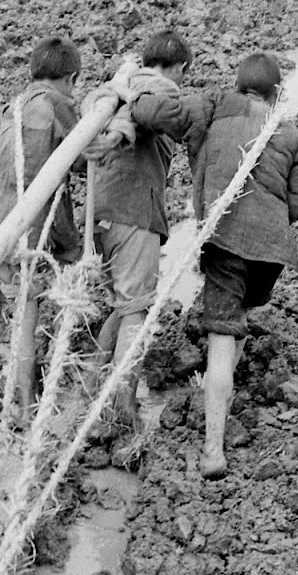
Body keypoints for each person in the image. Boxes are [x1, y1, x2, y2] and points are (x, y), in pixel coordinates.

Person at [191, 53, 298, 477]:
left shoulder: (217, 118)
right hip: (271, 247)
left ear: (239, 86)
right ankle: (222, 394)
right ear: (276, 93)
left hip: (225, 238)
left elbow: (201, 176)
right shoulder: (292, 136)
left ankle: (212, 449)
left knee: (221, 336)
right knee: (239, 317)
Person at [88, 29, 210, 428]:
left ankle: (91, 383)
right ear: (180, 68)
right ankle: (124, 399)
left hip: (102, 211)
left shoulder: (116, 86)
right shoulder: (158, 91)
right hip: (134, 212)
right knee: (138, 309)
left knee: (124, 304)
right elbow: (151, 114)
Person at [0, 35, 85, 413]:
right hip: (36, 227)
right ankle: (27, 403)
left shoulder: (12, 107)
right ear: (70, 78)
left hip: (2, 225)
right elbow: (79, 160)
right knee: (30, 316)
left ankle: (16, 399)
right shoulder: (57, 104)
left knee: (19, 315)